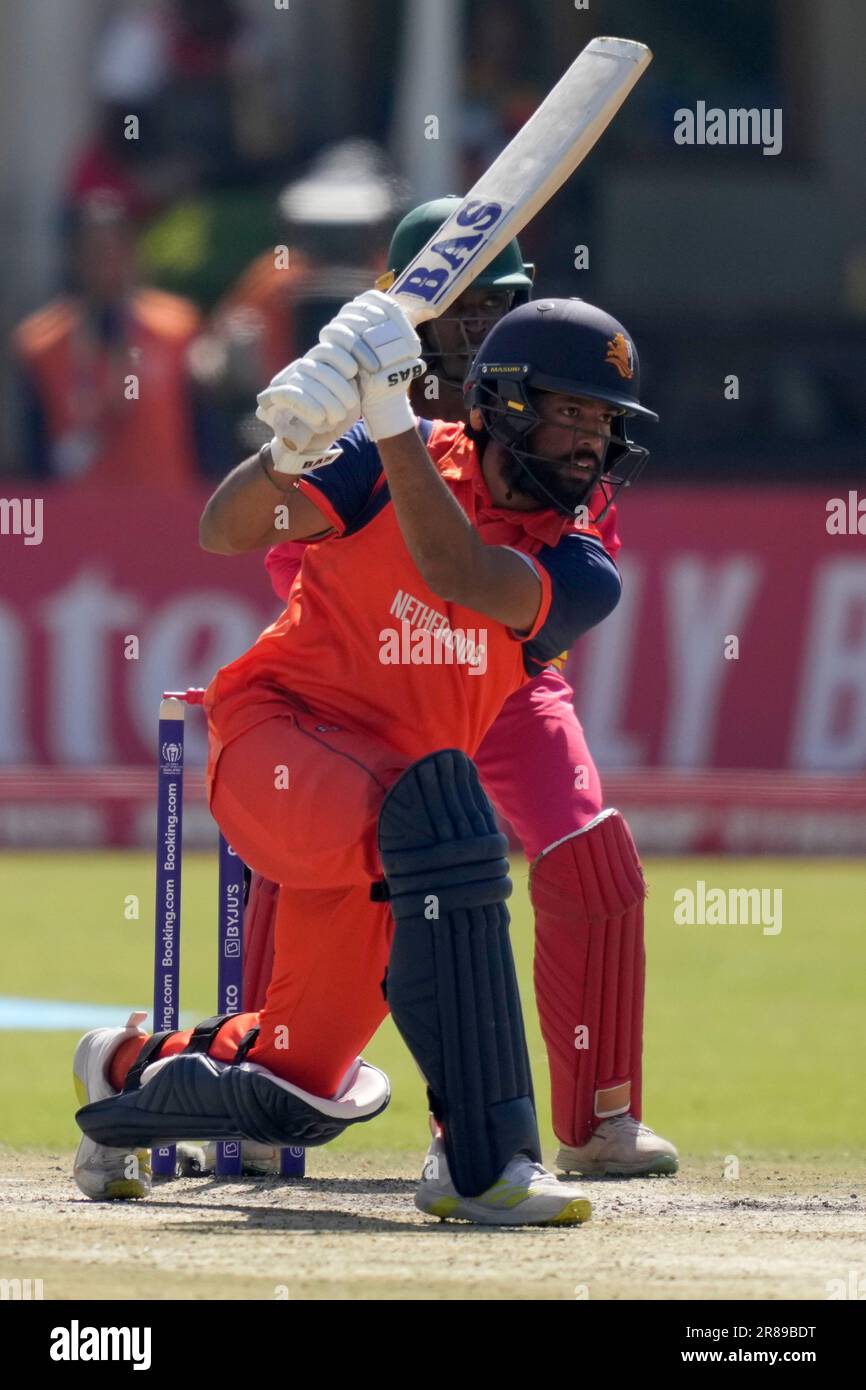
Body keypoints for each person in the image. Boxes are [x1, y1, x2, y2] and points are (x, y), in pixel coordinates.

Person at [72, 289, 659, 1226]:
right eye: (572, 412)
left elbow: (459, 574)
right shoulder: (389, 465)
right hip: (275, 749)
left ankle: (120, 1073)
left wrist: (384, 414)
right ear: (505, 402)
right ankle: (482, 1160)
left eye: (605, 422)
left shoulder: (582, 566)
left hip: (387, 836)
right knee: (446, 805)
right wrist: (290, 450)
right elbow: (222, 530)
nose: (592, 442)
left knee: (299, 1087)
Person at [198, 200, 678, 1183]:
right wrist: (294, 436)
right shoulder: (364, 430)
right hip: (374, 681)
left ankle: (593, 1119)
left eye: (499, 304)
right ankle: (263, 1086)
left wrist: (385, 432)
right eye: (459, 304)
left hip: (501, 684)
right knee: (325, 836)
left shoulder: (555, 443)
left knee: (591, 851)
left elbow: (513, 585)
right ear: (410, 318)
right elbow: (281, 555)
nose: (477, 327)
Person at [12, 192, 207, 485]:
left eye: (117, 249)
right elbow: (32, 452)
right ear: (74, 257)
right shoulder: (41, 343)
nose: (107, 264)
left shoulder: (178, 329)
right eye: (94, 252)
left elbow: (204, 431)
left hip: (168, 508)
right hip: (82, 515)